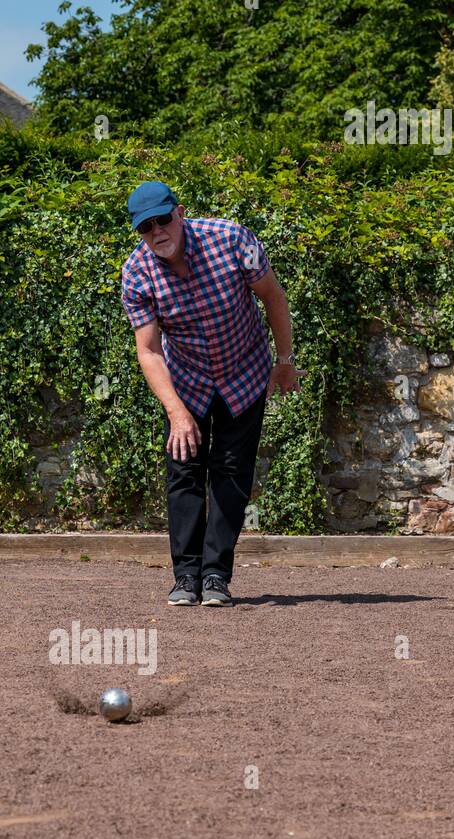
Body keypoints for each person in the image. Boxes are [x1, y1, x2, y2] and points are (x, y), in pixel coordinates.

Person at [120, 181, 301, 606]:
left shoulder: (233, 239)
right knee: (184, 468)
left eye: (163, 219)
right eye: (146, 227)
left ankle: (216, 576)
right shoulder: (136, 272)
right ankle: (186, 577)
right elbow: (148, 351)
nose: (157, 231)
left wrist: (285, 360)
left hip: (245, 370)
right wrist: (177, 413)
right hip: (187, 379)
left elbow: (273, 297)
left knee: (232, 470)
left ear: (179, 213)